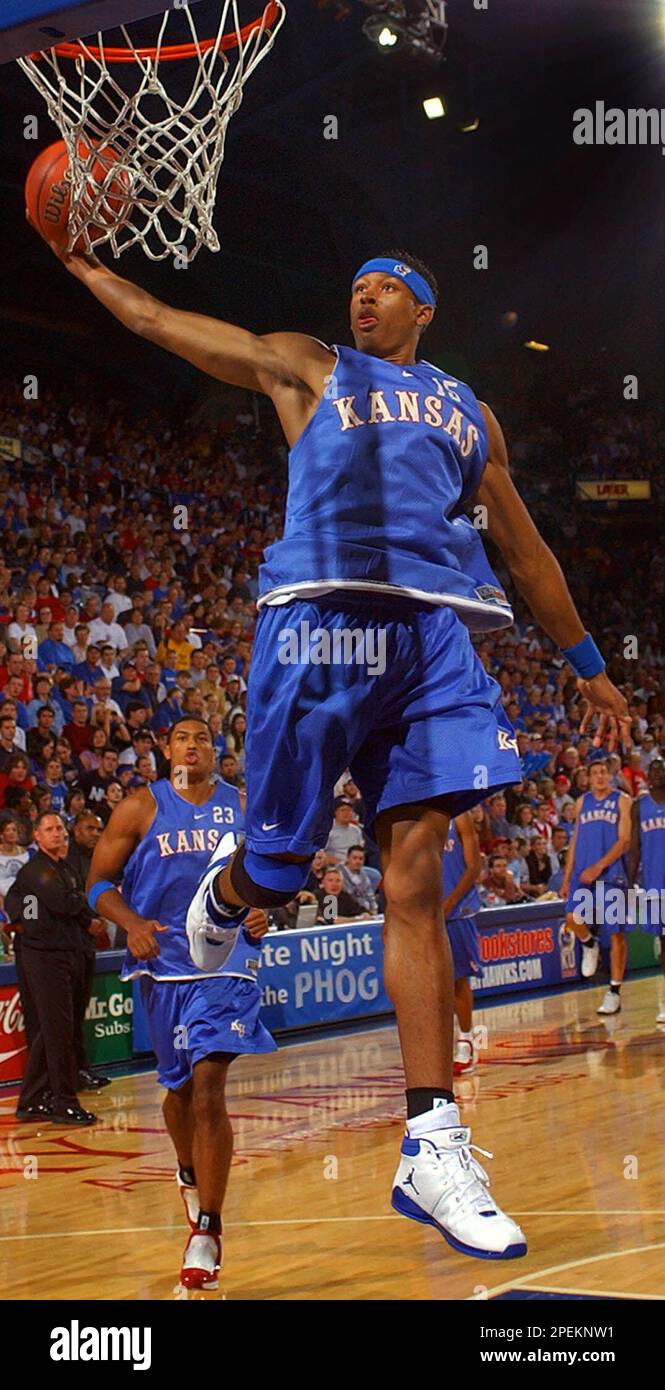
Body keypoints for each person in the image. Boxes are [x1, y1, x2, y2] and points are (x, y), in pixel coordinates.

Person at [49, 239, 630, 1263]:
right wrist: (89, 267)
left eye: (383, 287)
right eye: (355, 286)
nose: (361, 296)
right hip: (317, 632)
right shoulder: (307, 366)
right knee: (275, 869)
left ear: (422, 308)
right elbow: (159, 325)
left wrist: (584, 662)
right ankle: (232, 896)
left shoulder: (465, 413)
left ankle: (430, 1139)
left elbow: (524, 549)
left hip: (432, 638)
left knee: (413, 873)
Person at [85, 717, 274, 1290]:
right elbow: (97, 883)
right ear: (164, 750)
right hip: (163, 962)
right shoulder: (141, 807)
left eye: (202, 738)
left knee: (210, 1081)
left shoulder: (242, 805)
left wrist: (266, 907)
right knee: (179, 1090)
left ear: (216, 751)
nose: (192, 745)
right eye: (182, 737)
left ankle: (208, 1232)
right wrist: (132, 923)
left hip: (228, 959)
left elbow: (268, 872)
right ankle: (187, 1168)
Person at [5, 812, 100, 1124]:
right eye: (50, 829)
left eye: (60, 827)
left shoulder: (63, 867)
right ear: (37, 837)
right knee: (55, 1030)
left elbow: (73, 905)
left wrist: (80, 907)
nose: (57, 833)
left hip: (62, 952)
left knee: (52, 1031)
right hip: (43, 956)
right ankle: (64, 1100)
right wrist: (80, 904)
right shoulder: (37, 871)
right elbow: (63, 903)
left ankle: (31, 1099)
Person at [561, 757, 632, 1015]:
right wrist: (567, 877)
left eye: (603, 772)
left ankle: (614, 991)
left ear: (609, 775)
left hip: (611, 874)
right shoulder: (582, 802)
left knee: (615, 934)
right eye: (595, 773)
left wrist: (599, 867)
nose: (600, 776)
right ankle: (589, 944)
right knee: (571, 918)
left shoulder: (622, 800)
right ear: (588, 779)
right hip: (582, 873)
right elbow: (575, 841)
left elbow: (624, 841)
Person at [66, 810, 112, 1088]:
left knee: (77, 1012)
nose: (96, 833)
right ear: (74, 831)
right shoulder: (60, 863)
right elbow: (31, 904)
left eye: (98, 829)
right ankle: (65, 1076)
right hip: (59, 949)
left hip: (85, 945)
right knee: (65, 1017)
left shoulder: (99, 860)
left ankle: (81, 1069)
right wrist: (88, 920)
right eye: (89, 828)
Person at [442, 812, 482, 1075]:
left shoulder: (460, 818)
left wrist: (451, 902)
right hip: (428, 910)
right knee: (434, 983)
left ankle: (466, 1039)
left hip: (458, 910)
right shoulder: (421, 817)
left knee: (458, 980)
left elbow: (474, 867)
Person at [628, 757, 665, 1023]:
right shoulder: (639, 807)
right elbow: (634, 848)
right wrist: (630, 884)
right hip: (655, 883)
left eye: (661, 770)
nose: (657, 774)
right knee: (664, 944)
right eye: (653, 770)